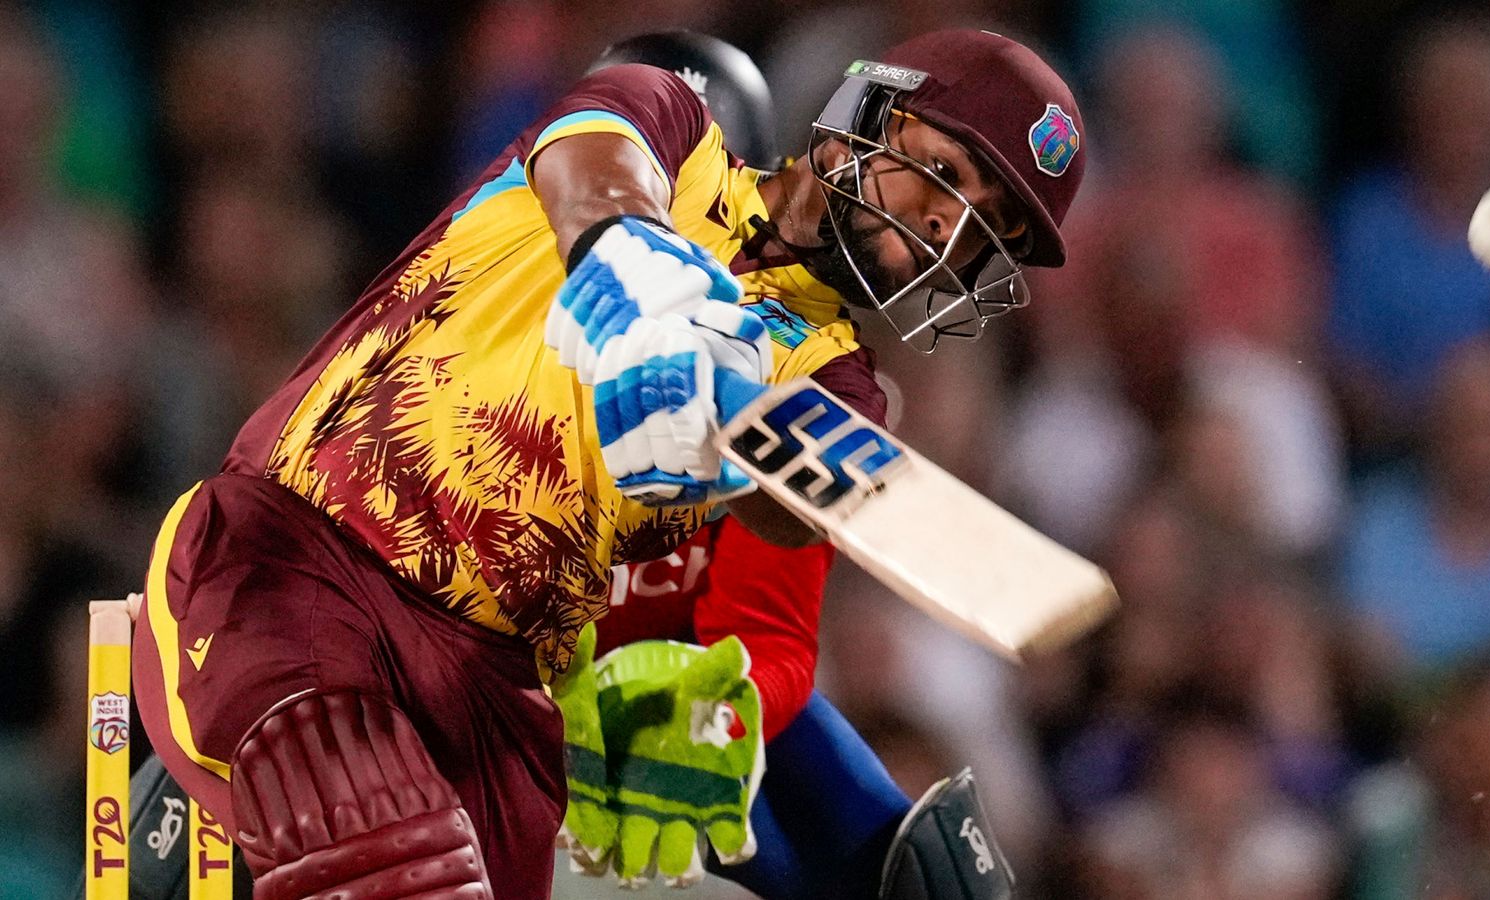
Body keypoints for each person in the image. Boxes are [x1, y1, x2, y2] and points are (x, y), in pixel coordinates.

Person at [131, 23, 1085, 898]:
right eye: (946, 175)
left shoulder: (839, 387)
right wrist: (634, 268)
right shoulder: (671, 125)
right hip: (304, 557)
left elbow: (791, 514)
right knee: (389, 860)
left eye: (989, 233)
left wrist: (724, 433)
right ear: (863, 120)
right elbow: (595, 163)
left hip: (493, 688)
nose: (953, 236)